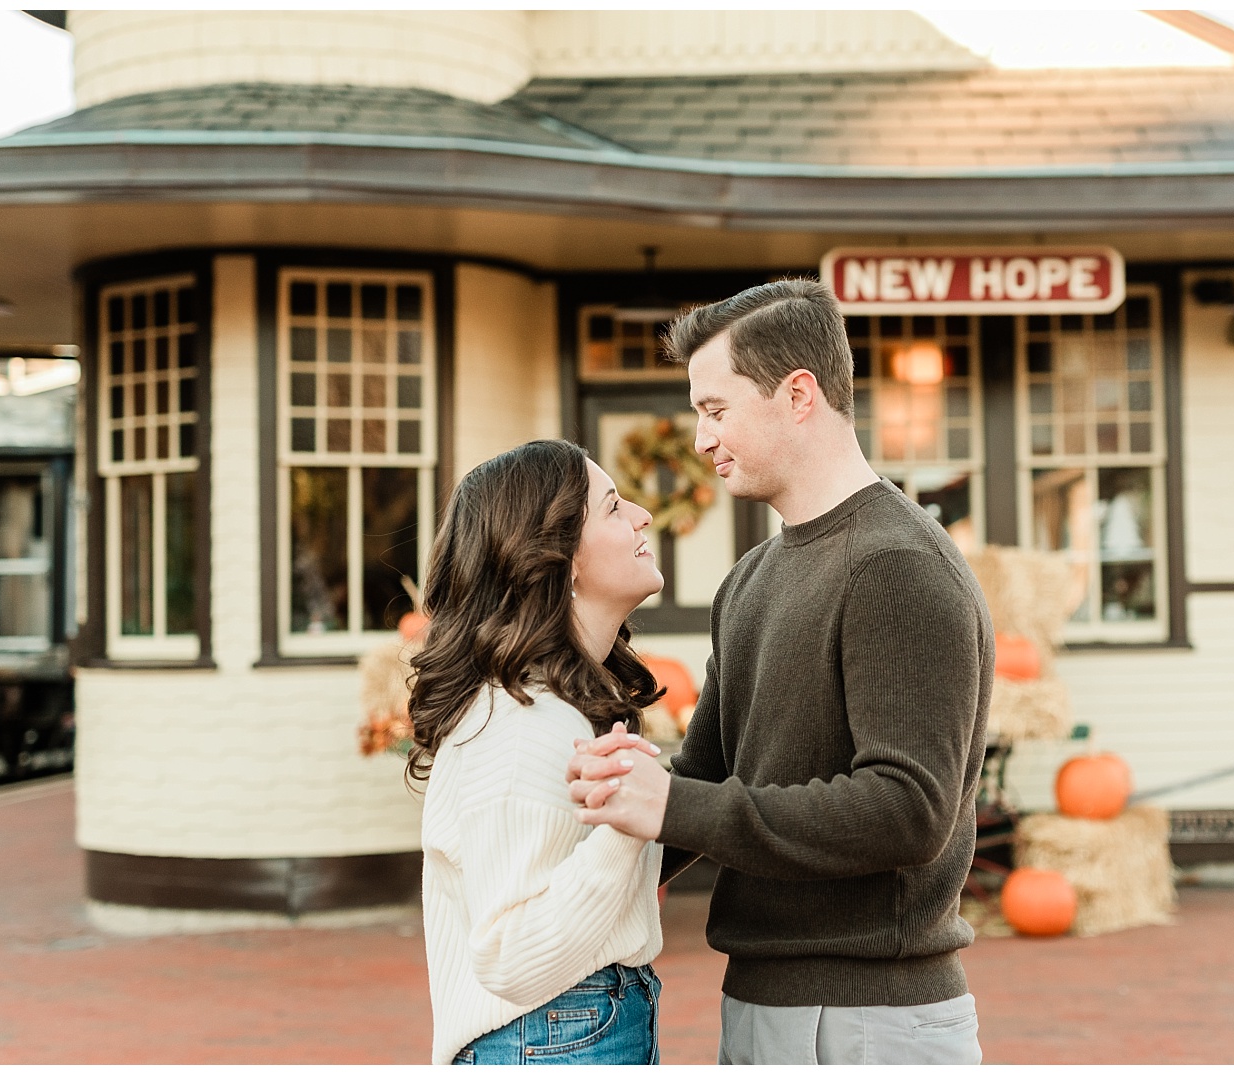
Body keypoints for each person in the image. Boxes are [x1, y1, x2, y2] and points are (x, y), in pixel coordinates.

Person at [567, 280, 995, 1064]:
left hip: (867, 1018)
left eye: (716, 409)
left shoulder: (897, 566)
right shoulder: (750, 580)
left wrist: (672, 804)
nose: (701, 438)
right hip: (762, 1000)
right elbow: (704, 775)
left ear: (799, 394)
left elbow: (908, 809)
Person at [408, 439, 670, 1065]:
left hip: (566, 1030)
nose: (642, 515)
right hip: (554, 1034)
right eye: (612, 507)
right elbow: (512, 957)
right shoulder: (522, 724)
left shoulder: (549, 706)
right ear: (562, 560)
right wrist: (626, 827)